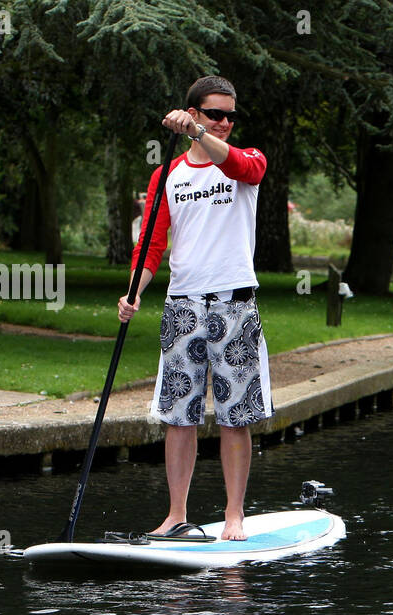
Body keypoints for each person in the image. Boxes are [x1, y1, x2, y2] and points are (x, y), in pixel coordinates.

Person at [117, 75, 270, 541]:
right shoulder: (167, 175)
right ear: (195, 110)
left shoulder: (247, 161)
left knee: (234, 416)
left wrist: (196, 133)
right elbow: (152, 244)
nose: (224, 123)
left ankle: (234, 515)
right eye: (214, 114)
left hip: (235, 305)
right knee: (178, 416)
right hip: (182, 306)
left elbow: (244, 168)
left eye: (230, 115)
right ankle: (176, 515)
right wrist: (133, 291)